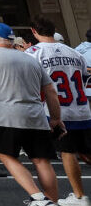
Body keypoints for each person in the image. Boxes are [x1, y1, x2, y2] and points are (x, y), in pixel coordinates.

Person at [0, 21, 64, 206]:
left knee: (5, 154)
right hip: (36, 116)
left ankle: (38, 197)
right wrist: (56, 118)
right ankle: (52, 201)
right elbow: (50, 91)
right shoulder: (29, 58)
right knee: (41, 160)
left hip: (8, 115)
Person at [28, 17, 91, 206]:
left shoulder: (34, 53)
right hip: (81, 108)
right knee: (86, 153)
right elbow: (83, 75)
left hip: (57, 110)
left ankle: (80, 196)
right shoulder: (74, 52)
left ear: (34, 31)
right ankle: (78, 195)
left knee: (67, 151)